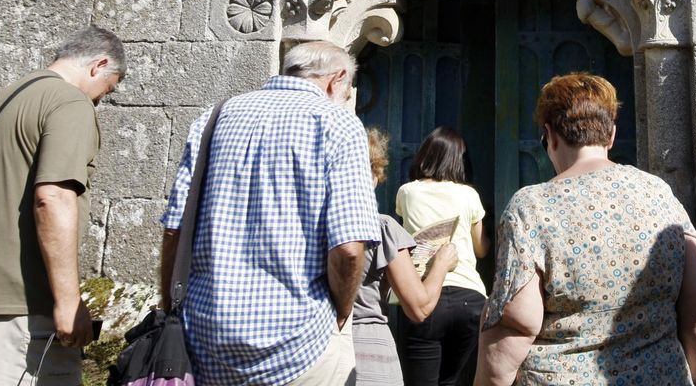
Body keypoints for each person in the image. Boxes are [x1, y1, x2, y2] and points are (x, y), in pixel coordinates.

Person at [159, 40, 380, 386]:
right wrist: (341, 314)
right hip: (299, 344)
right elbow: (349, 250)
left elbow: (175, 231)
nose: (347, 96)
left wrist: (168, 307)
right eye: (349, 89)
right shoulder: (338, 123)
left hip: (204, 342)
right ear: (337, 79)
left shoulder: (212, 119)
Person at [475, 73, 696, 386]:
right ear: (611, 135)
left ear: (550, 136)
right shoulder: (657, 192)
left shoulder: (532, 207)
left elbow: (516, 324)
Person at [0, 26, 126, 386]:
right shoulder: (69, 102)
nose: (98, 101)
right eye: (106, 90)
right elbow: (53, 197)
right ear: (99, 65)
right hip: (15, 304)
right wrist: (69, 302)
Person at [354, 128, 460, 385]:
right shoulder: (382, 228)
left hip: (312, 353)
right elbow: (419, 308)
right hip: (368, 353)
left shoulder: (301, 227)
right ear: (373, 175)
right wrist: (441, 263)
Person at [395, 126, 490, 385]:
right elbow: (481, 249)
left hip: (424, 295)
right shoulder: (469, 194)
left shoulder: (407, 192)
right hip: (470, 298)